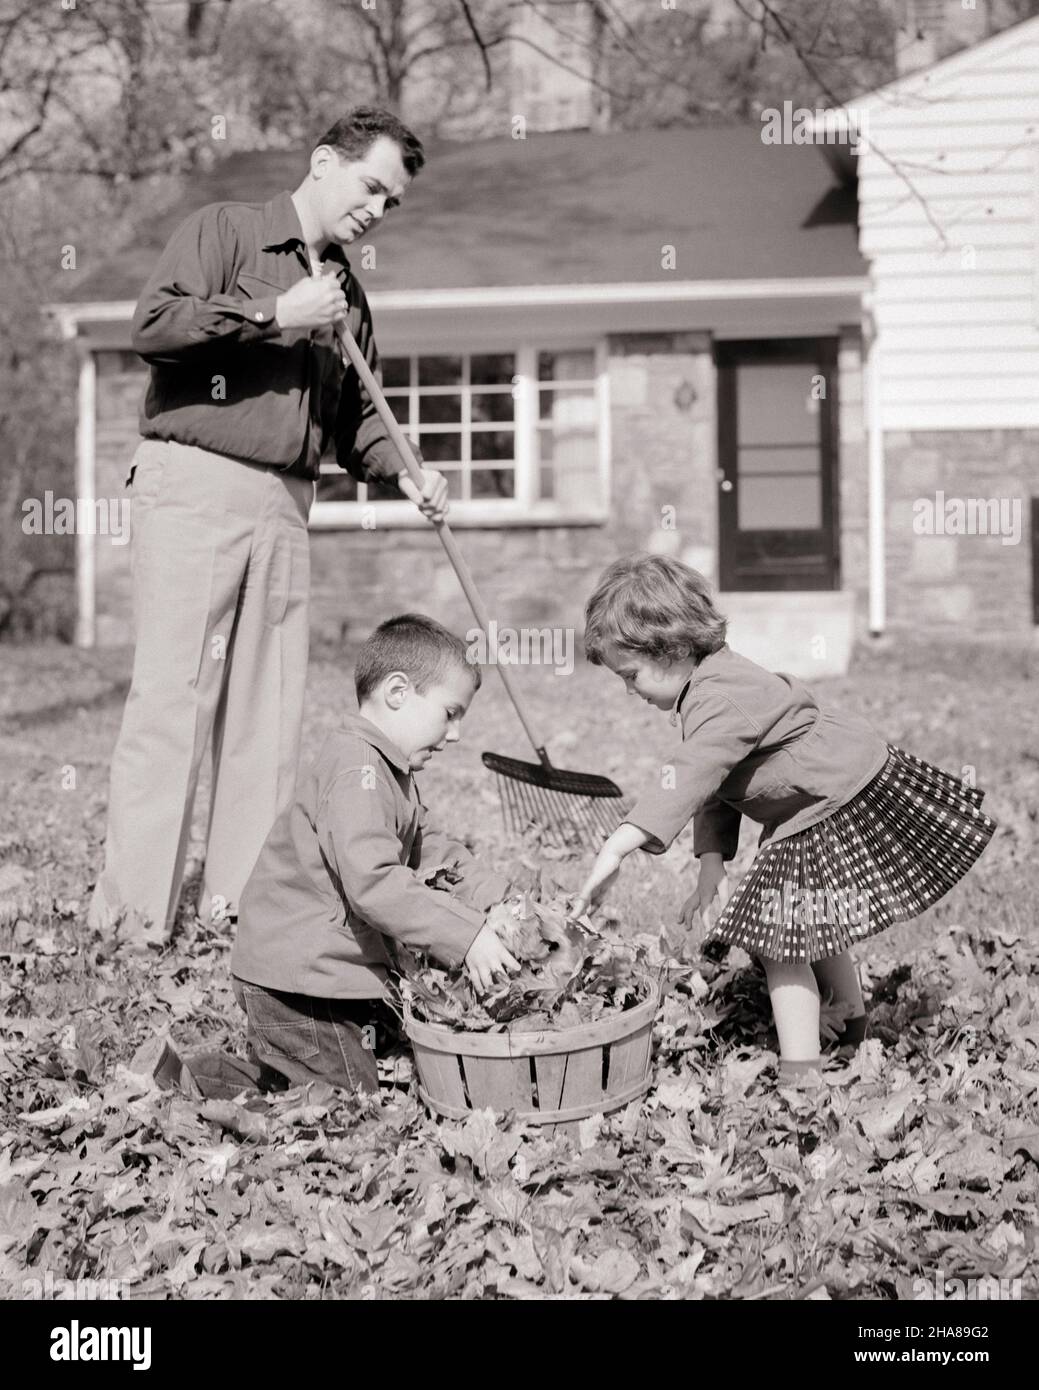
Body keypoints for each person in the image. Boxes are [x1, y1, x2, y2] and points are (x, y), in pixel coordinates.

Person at [89, 108, 448, 944]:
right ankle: (134, 920)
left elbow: (357, 423)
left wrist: (407, 469)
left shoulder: (351, 297)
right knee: (176, 701)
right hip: (195, 484)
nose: (375, 211)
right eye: (370, 188)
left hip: (288, 505)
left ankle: (234, 916)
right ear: (324, 162)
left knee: (268, 715)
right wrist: (274, 315)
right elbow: (155, 326)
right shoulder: (227, 231)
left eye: (390, 204)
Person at [571, 554, 997, 1088]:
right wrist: (711, 864)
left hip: (829, 798)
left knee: (779, 939)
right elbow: (717, 783)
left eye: (630, 675)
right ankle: (851, 1031)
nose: (629, 690)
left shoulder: (720, 695)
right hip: (824, 796)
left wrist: (617, 846)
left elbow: (690, 773)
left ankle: (802, 1079)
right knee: (810, 921)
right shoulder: (708, 686)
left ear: (673, 647)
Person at [212, 614, 518, 1095]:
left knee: (380, 1062)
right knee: (348, 1110)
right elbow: (375, 885)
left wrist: (498, 899)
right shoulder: (358, 772)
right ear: (398, 692)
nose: (455, 734)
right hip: (300, 988)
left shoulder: (386, 769)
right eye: (450, 713)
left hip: (332, 979)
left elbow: (429, 850)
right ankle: (200, 1082)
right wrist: (466, 937)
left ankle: (260, 1074)